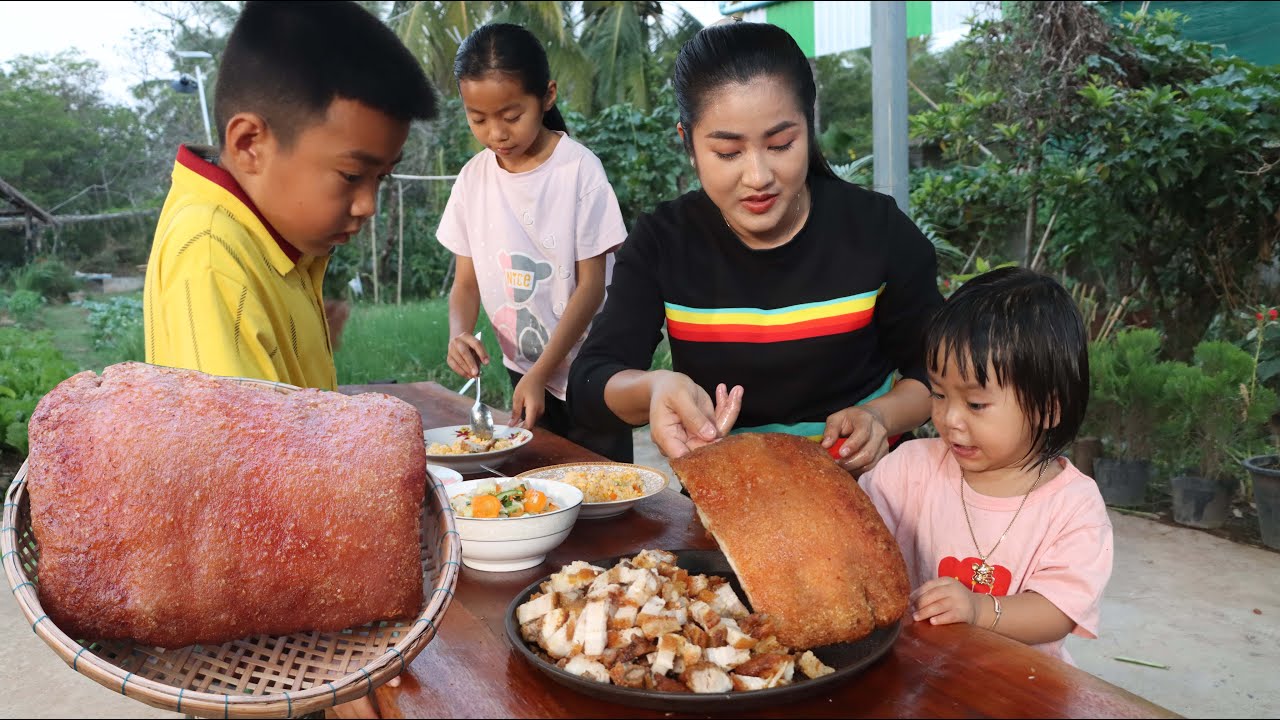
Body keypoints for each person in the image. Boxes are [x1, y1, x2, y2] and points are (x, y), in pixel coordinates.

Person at [567, 20, 943, 475]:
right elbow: (590, 382)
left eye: (781, 144)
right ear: (689, 144)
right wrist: (654, 389)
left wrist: (880, 417)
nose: (758, 176)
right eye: (728, 153)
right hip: (729, 495)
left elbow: (938, 374)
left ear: (809, 126)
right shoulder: (664, 241)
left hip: (869, 489)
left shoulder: (876, 230)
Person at [143, 0, 436, 390]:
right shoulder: (212, 255)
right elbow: (240, 430)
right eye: (351, 175)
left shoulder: (272, 240)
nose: (368, 205)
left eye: (382, 177)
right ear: (249, 144)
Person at [858, 266, 1114, 664]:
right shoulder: (909, 469)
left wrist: (979, 610)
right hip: (916, 671)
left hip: (1019, 684)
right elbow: (855, 534)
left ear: (1048, 409)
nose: (950, 419)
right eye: (939, 395)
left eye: (975, 404)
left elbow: (1059, 611)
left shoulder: (1073, 506)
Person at [438, 23, 632, 462]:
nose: (496, 134)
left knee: (604, 480)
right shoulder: (472, 179)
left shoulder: (578, 171)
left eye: (511, 117)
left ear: (547, 96)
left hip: (592, 368)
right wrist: (459, 333)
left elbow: (592, 287)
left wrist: (542, 373)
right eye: (478, 119)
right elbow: (465, 283)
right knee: (537, 477)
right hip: (522, 368)